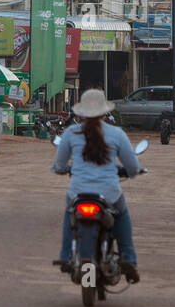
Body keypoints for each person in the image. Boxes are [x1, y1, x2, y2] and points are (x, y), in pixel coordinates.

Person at [51, 88, 140, 282]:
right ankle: (128, 258)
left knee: (70, 213)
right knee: (122, 215)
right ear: (104, 111)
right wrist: (132, 172)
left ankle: (66, 255)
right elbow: (132, 166)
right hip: (109, 193)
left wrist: (60, 169)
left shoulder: (71, 133)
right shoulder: (116, 133)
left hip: (78, 192)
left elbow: (59, 164)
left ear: (81, 112)